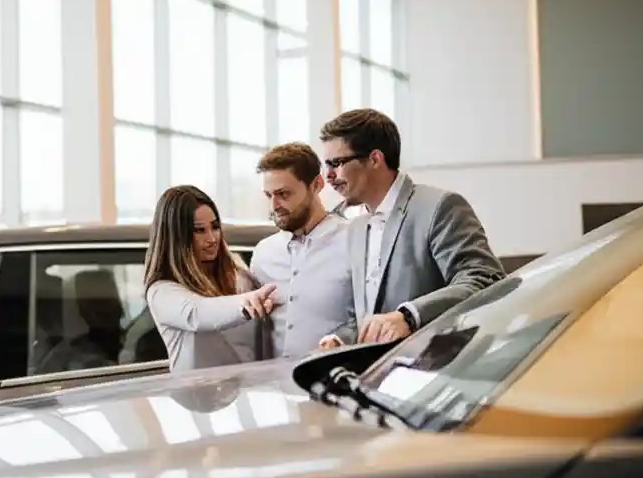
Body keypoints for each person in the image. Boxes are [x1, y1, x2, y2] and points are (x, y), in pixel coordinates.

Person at [316, 108, 505, 348]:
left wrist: (410, 316)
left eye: (336, 163)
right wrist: (340, 339)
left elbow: (485, 280)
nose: (329, 176)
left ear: (375, 159)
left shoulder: (439, 206)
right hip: (379, 368)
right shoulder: (356, 226)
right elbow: (371, 315)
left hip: (439, 362)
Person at [144, 185, 278, 372]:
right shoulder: (162, 291)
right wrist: (246, 303)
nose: (212, 238)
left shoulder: (240, 278)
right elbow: (196, 313)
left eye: (215, 227)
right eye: (199, 230)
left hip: (256, 387)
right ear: (176, 237)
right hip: (199, 391)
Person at [248, 142, 353, 359]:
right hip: (272, 378)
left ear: (316, 185)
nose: (274, 206)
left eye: (283, 194)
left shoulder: (355, 241)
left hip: (336, 374)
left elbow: (374, 315)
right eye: (268, 195)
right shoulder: (263, 254)